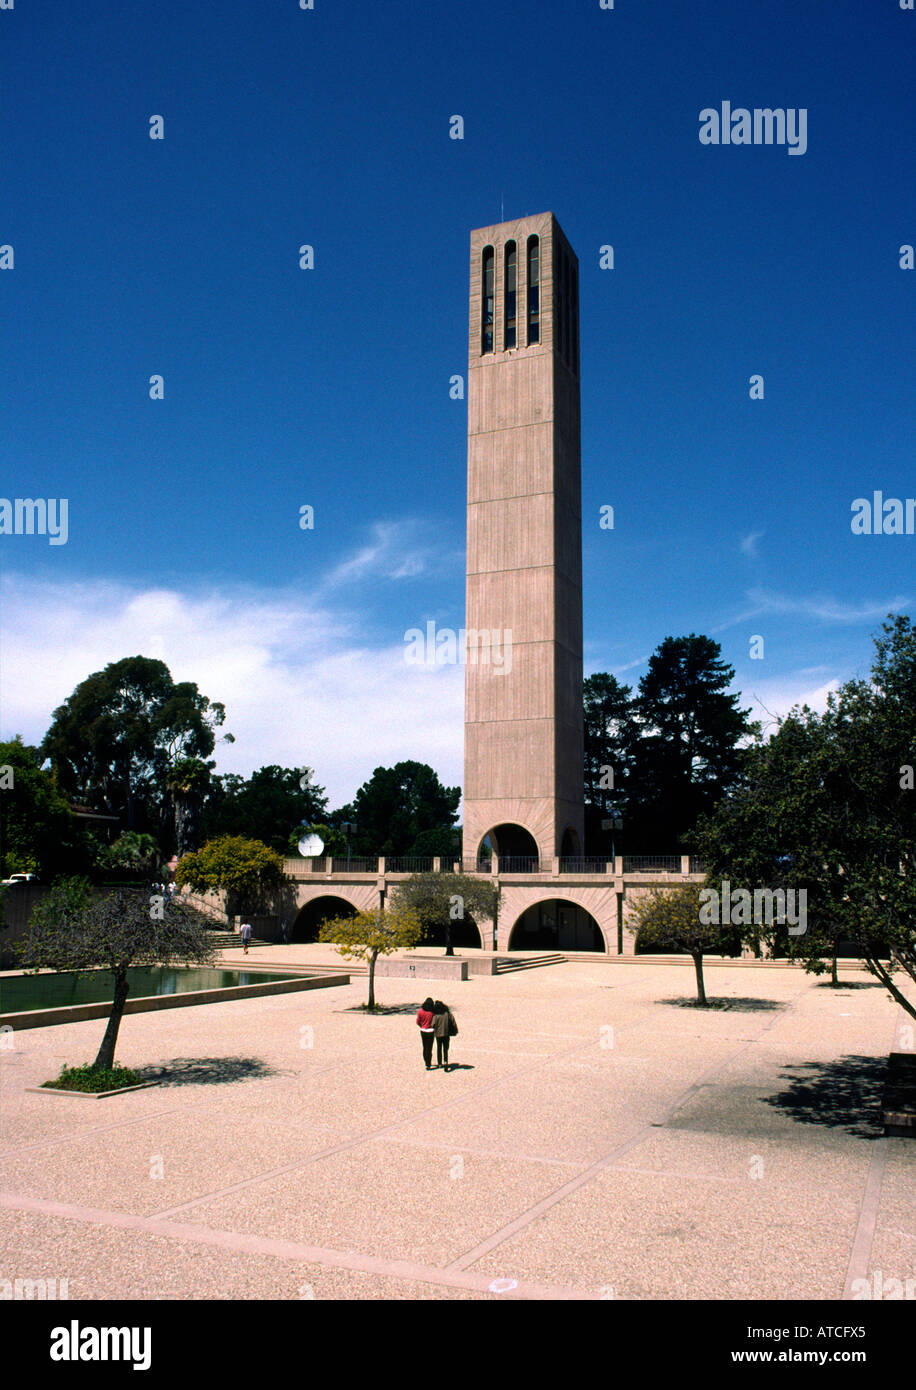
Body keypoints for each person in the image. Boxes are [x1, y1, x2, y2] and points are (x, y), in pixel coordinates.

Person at [432, 1000, 457, 1072]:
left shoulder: (435, 1016)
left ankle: (439, 1063)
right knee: (445, 1049)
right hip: (446, 1034)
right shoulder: (448, 1014)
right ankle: (445, 1061)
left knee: (439, 1048)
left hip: (438, 1034)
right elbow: (453, 1023)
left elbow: (432, 1025)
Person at [416, 997, 436, 1070]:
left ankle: (426, 1062)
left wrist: (422, 1025)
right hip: (431, 1031)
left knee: (424, 1047)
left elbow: (417, 1021)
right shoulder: (433, 1012)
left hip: (423, 1030)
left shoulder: (420, 1011)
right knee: (429, 1048)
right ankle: (428, 1063)